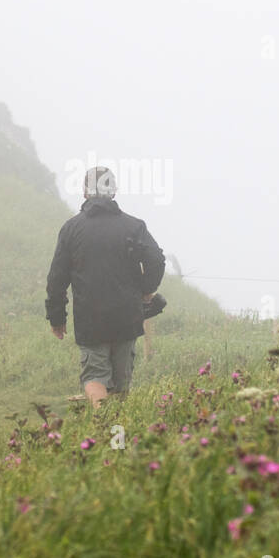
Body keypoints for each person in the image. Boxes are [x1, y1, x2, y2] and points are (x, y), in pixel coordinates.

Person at [46, 166, 165, 407]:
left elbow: (57, 279)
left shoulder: (72, 229)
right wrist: (145, 290)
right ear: (114, 191)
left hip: (91, 317)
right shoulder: (134, 226)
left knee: (94, 375)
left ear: (84, 192)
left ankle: (102, 424)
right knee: (122, 384)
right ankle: (116, 434)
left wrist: (57, 318)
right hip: (127, 315)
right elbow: (156, 260)